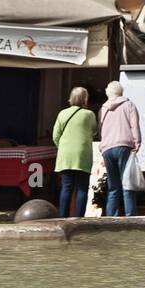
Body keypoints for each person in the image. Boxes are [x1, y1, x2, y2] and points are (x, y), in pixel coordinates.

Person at [98, 80, 142, 217]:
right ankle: (130, 217)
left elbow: (100, 129)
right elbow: (134, 125)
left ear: (108, 92)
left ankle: (111, 218)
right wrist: (137, 142)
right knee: (127, 184)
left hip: (107, 149)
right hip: (124, 146)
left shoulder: (103, 109)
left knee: (113, 186)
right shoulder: (129, 105)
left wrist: (102, 146)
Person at [52, 87, 97, 218]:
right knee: (82, 188)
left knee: (66, 187)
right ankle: (79, 219)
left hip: (65, 154)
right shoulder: (89, 115)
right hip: (82, 154)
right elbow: (94, 131)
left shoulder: (62, 113)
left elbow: (55, 135)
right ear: (85, 99)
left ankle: (62, 218)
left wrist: (62, 147)